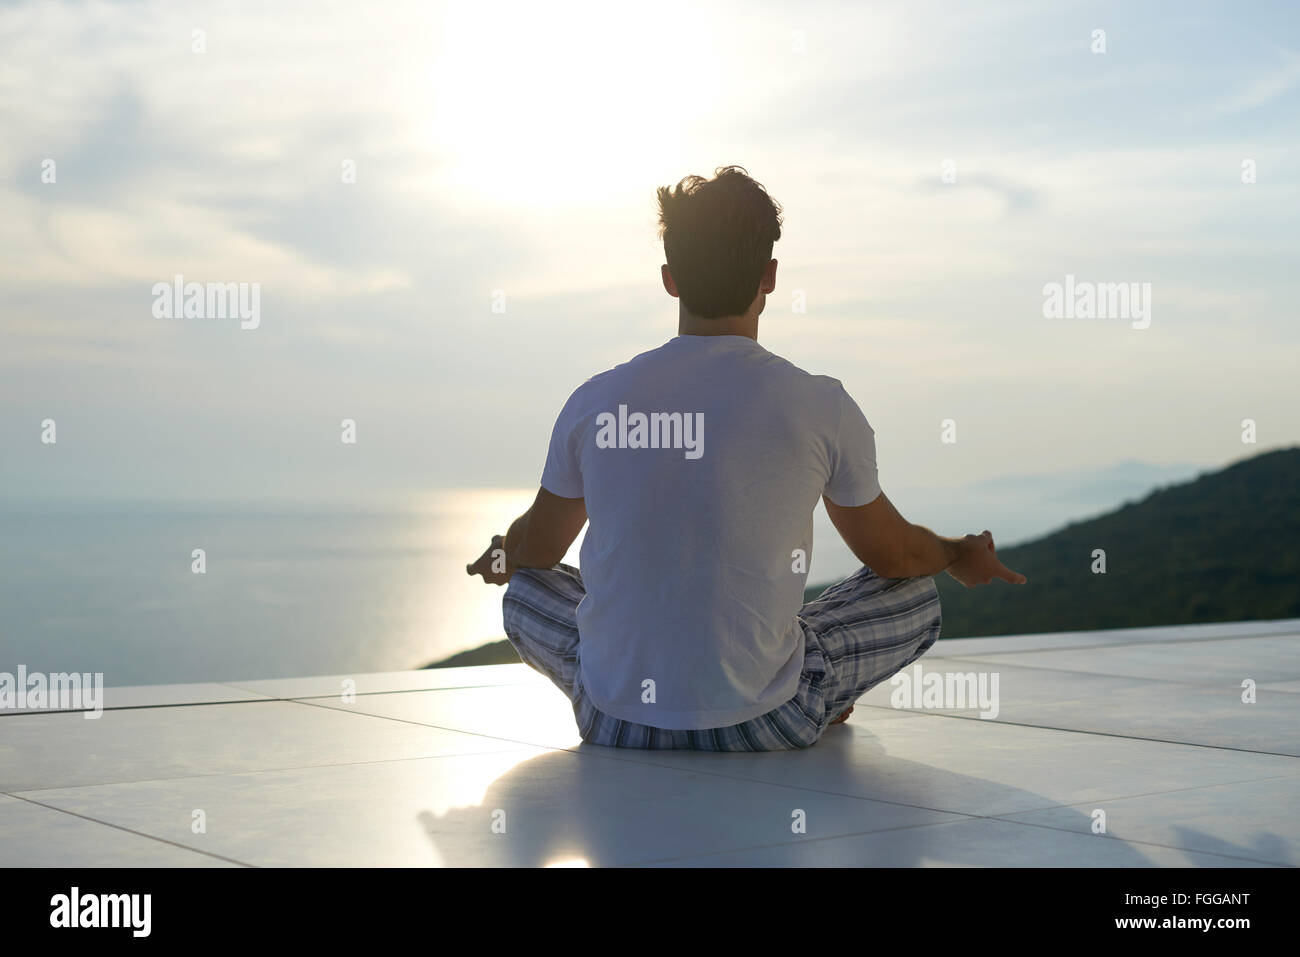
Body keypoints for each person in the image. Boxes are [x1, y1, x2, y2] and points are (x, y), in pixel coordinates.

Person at [467, 166, 1025, 751]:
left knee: (526, 587)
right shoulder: (818, 403)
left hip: (615, 722)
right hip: (767, 724)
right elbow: (896, 556)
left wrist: (505, 553)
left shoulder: (596, 400)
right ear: (770, 276)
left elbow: (536, 550)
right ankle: (815, 692)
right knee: (914, 591)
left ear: (670, 280)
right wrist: (958, 552)